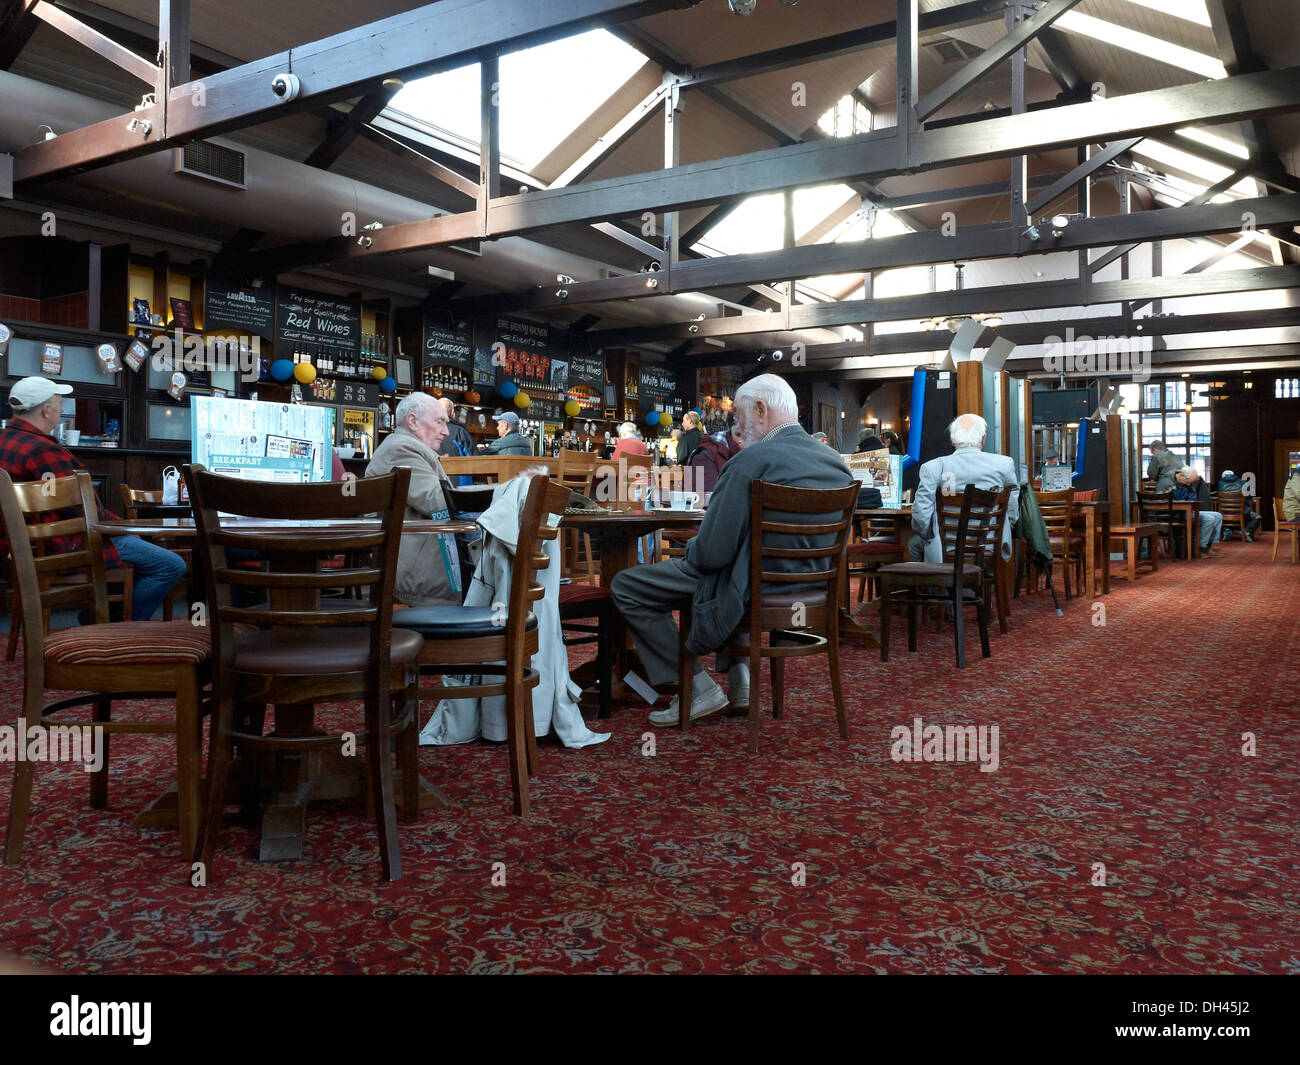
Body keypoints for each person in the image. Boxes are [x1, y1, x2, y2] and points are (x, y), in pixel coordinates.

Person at [610, 374, 852, 726]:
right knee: (739, 564)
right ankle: (741, 683)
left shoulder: (748, 464)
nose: (737, 428)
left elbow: (710, 555)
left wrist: (691, 547)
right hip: (810, 591)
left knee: (627, 585)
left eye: (739, 416)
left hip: (748, 589)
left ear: (760, 409)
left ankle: (696, 687)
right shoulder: (837, 464)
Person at [0, 376, 186, 622]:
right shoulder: (43, 450)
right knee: (171, 564)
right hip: (66, 545)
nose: (61, 409)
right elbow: (80, 509)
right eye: (58, 403)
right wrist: (122, 528)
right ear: (46, 410)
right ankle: (121, 627)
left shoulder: (5, 442)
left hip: (23, 549)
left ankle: (101, 617)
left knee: (139, 552)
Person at [365, 391, 462, 605]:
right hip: (420, 580)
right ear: (413, 421)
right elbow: (441, 504)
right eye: (440, 422)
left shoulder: (404, 446)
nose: (446, 432)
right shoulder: (403, 448)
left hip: (420, 570)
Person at [910, 413, 1019, 563]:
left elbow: (921, 517)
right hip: (991, 545)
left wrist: (932, 535)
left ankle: (938, 584)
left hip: (946, 548)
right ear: (983, 438)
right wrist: (1005, 527)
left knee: (913, 545)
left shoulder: (933, 468)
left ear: (953, 440)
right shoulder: (1004, 465)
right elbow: (1012, 507)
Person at [1174, 466, 1224, 557]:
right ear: (1181, 476)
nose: (1189, 485)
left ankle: (1207, 547)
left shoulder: (1187, 484)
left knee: (1218, 516)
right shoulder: (1171, 484)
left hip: (1189, 511)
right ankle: (1200, 548)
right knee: (1209, 519)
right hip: (1179, 514)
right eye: (1188, 482)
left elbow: (1193, 498)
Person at [1216, 469, 1261, 541]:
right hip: (1242, 512)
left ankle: (1227, 529)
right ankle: (1247, 532)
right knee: (1257, 517)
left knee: (1218, 515)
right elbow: (1250, 497)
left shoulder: (1220, 483)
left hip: (1225, 512)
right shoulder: (1243, 483)